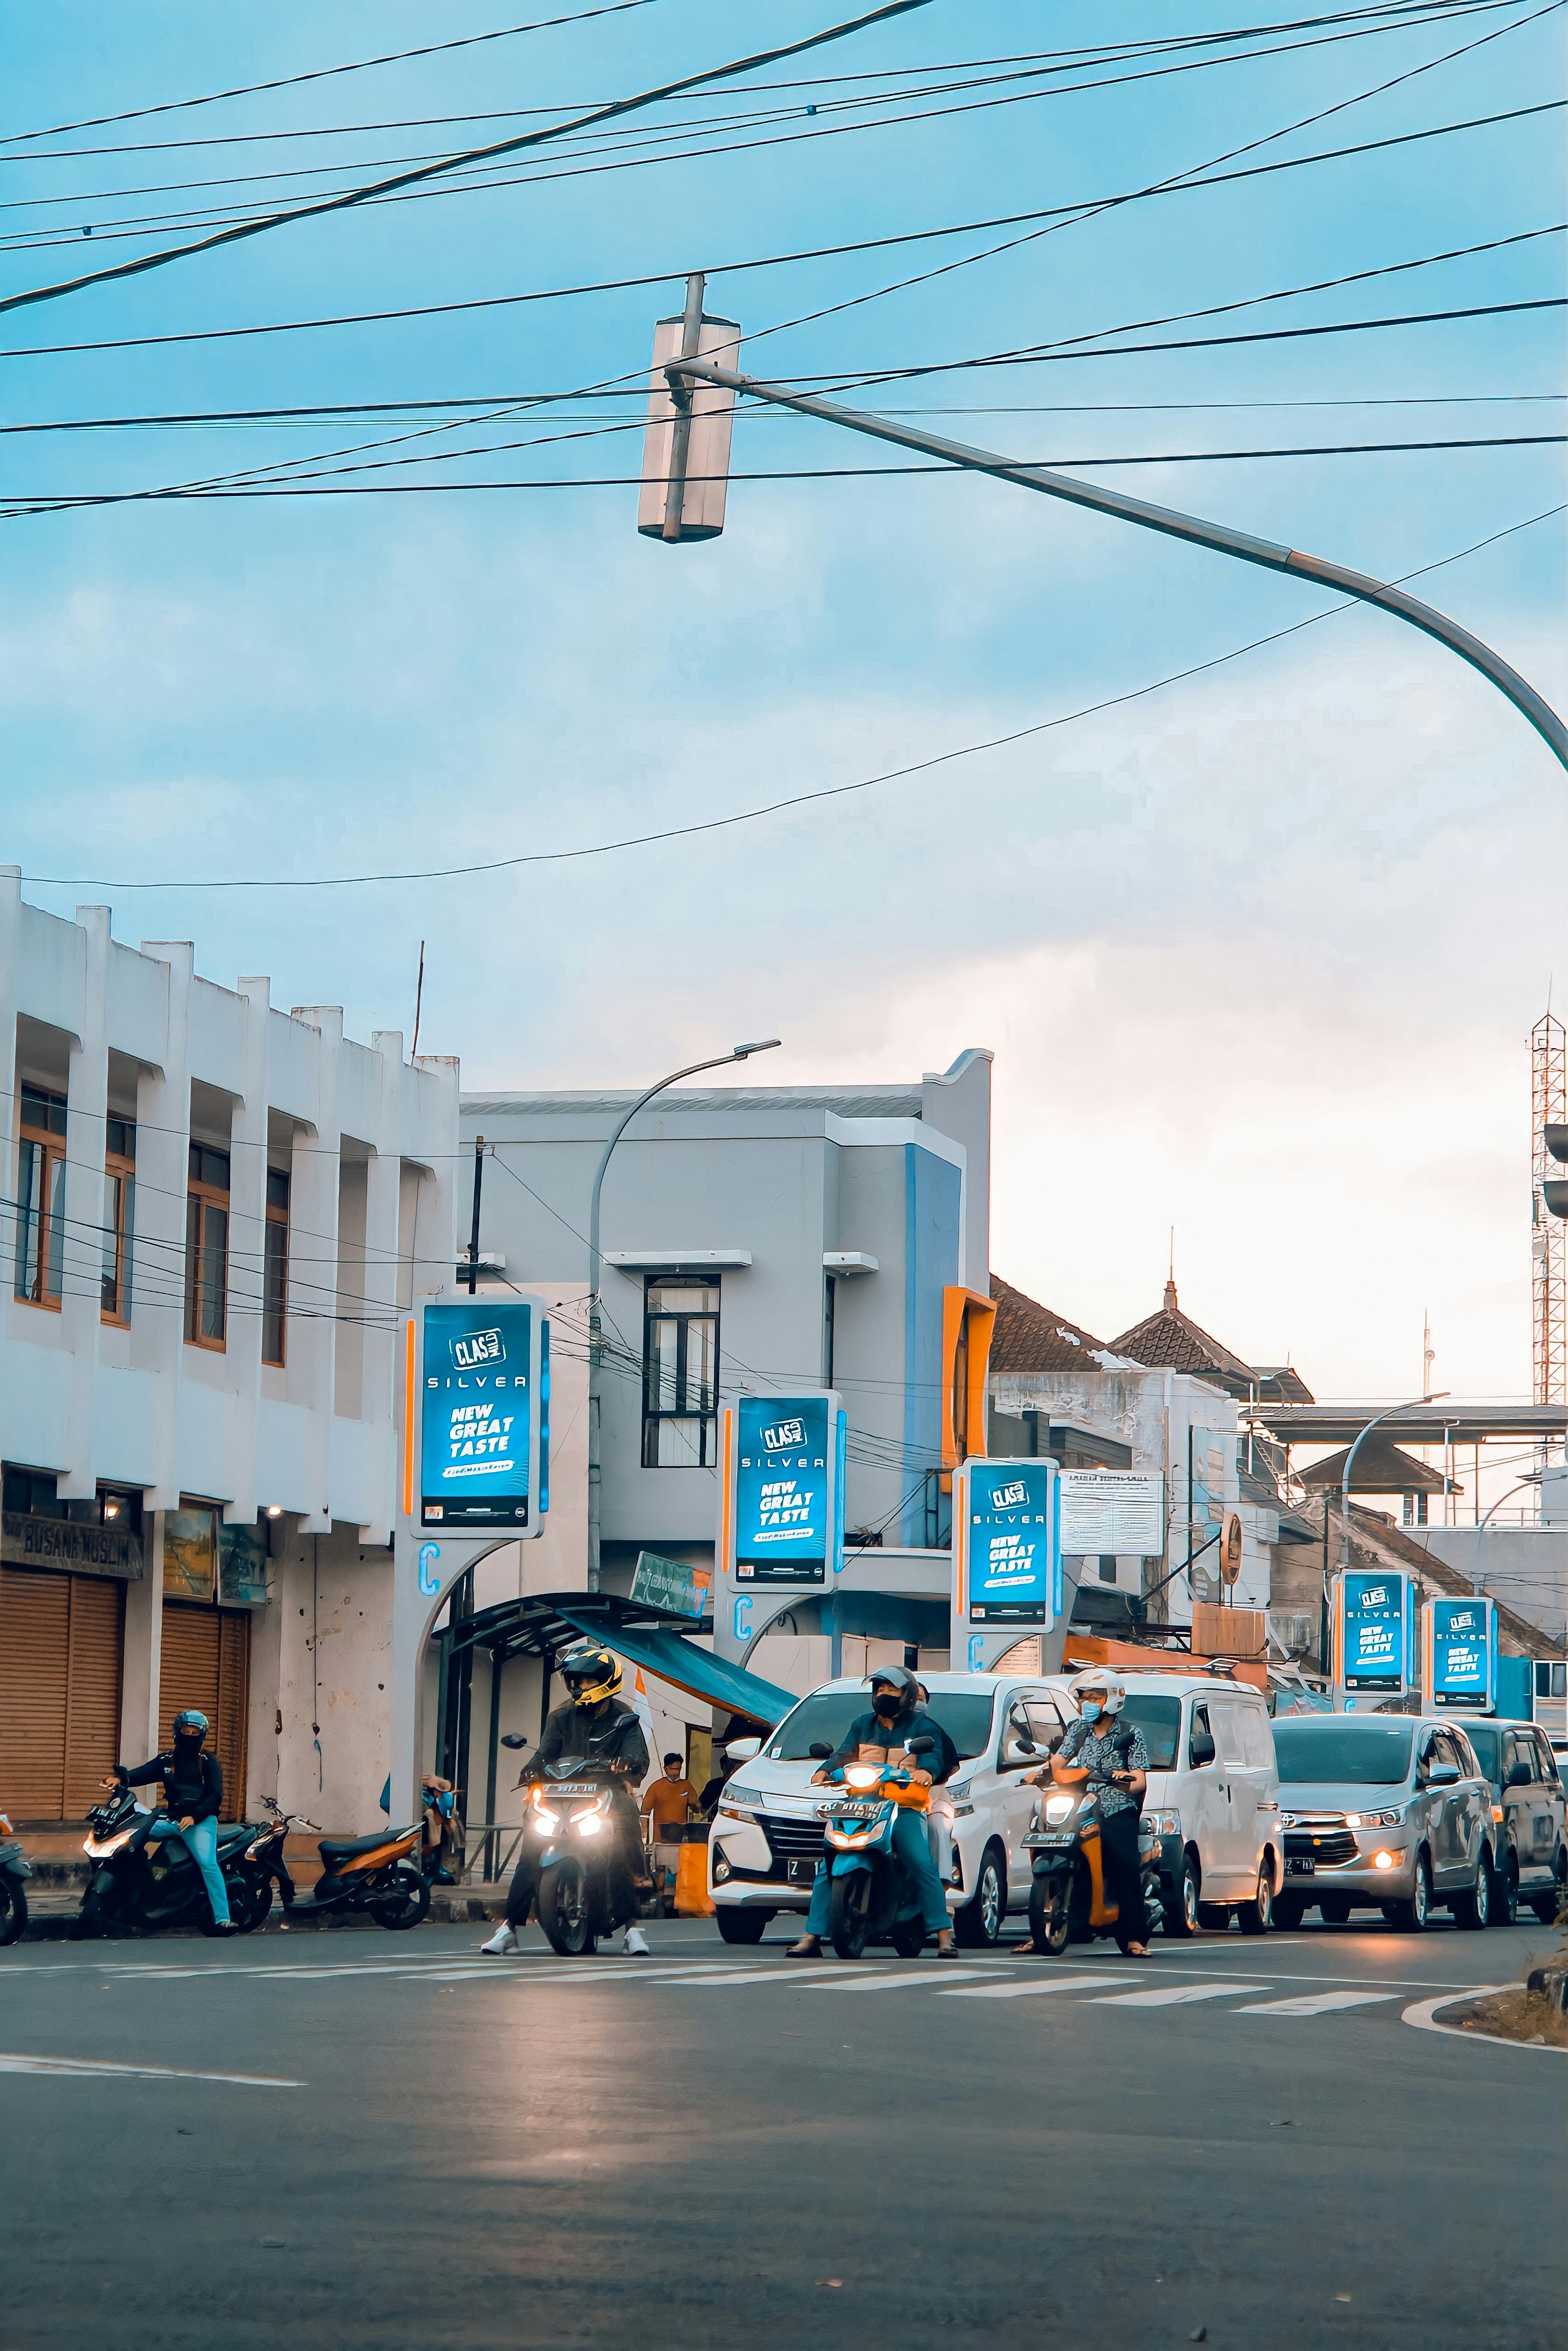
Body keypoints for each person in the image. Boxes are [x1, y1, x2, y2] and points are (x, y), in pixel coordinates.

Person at [480, 1641, 651, 1958]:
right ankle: (508, 1929)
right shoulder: (560, 1716)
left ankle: (632, 1928)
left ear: (604, 1682)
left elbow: (637, 1757)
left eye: (585, 1680)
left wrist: (629, 1765)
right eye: (576, 1681)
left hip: (605, 1795)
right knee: (530, 1848)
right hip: (560, 1795)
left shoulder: (624, 1717)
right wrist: (532, 1768)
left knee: (622, 1837)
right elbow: (545, 1753)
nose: (578, 1686)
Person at [785, 1665, 956, 1960]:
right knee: (828, 1865)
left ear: (908, 1696)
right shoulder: (862, 1724)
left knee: (920, 1861)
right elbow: (844, 1753)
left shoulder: (923, 1728)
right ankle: (812, 1936)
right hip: (860, 1806)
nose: (883, 1695)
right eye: (879, 1690)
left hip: (903, 1808)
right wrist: (825, 1770)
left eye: (891, 1690)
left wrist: (926, 1771)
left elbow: (935, 1756)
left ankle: (943, 1937)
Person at [1016, 1668, 1150, 1957]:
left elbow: (1140, 1778)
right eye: (1084, 1697)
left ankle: (1133, 1937)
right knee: (1045, 1838)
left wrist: (1124, 1779)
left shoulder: (1130, 1733)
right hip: (1079, 1801)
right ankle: (1040, 1931)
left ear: (1113, 1700)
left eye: (1094, 1697)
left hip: (1115, 1805)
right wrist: (1040, 1773)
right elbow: (1059, 1763)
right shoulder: (1079, 1729)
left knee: (1122, 1859)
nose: (1087, 1703)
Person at [104, 1708, 237, 1935]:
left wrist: (195, 1816)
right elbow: (140, 1775)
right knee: (130, 1838)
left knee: (208, 1864)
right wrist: (120, 1779)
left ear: (202, 1735)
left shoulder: (208, 1762)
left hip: (200, 1821)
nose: (190, 1735)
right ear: (177, 1732)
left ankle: (223, 1918)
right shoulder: (167, 1760)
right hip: (171, 1818)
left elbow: (215, 1797)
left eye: (195, 1732)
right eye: (187, 1730)